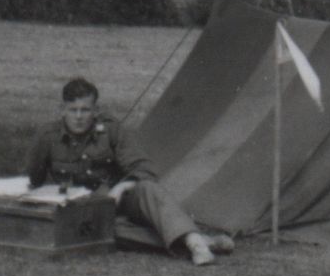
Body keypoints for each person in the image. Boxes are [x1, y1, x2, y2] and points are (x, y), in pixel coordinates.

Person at [25, 77, 234, 266]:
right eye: (73, 110)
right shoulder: (47, 136)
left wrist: (122, 188)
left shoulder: (110, 130)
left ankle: (194, 243)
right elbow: (33, 180)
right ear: (62, 109)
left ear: (96, 110)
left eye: (85, 110)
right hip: (84, 211)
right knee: (105, 233)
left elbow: (144, 168)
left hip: (118, 201)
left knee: (148, 188)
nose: (79, 116)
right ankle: (195, 240)